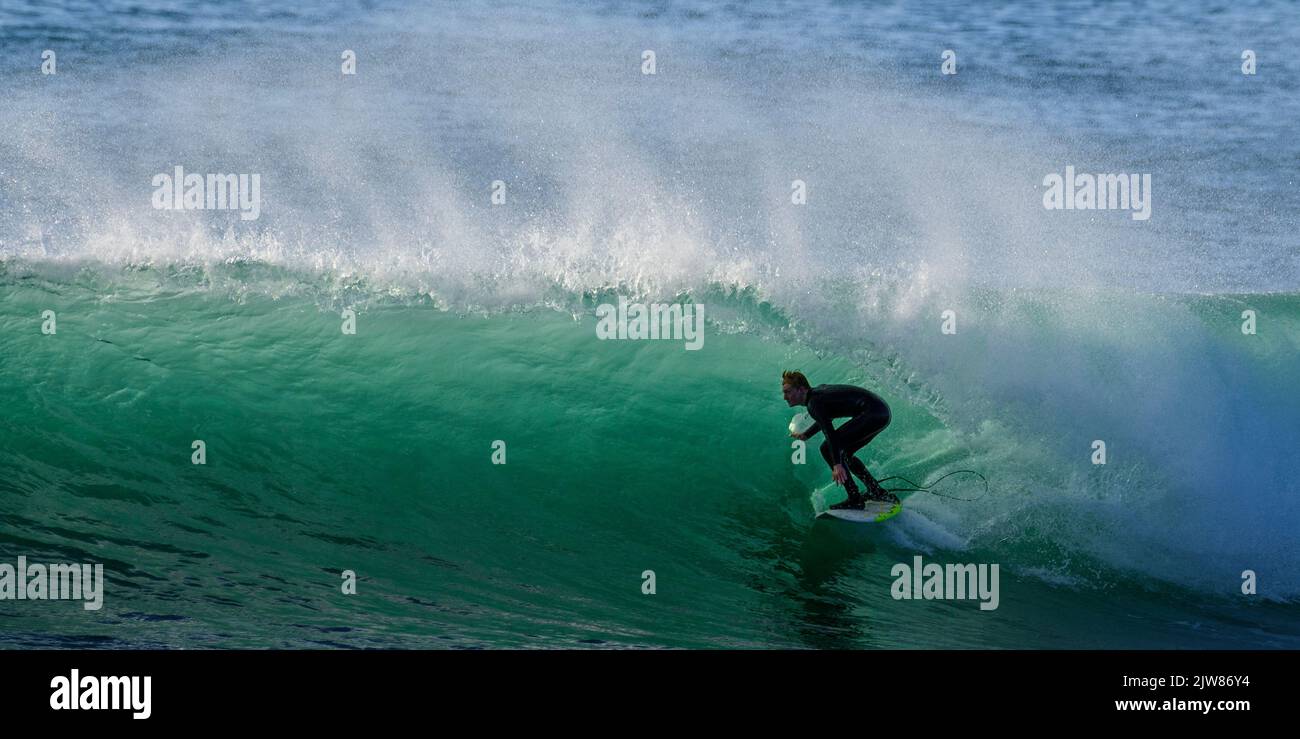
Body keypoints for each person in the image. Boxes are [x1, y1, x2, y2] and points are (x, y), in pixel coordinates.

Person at [782, 370, 898, 510]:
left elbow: (829, 431)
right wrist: (806, 435)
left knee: (826, 448)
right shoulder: (817, 396)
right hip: (881, 413)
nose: (785, 397)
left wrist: (837, 464)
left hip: (872, 414)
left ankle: (855, 498)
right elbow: (826, 418)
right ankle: (876, 491)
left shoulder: (814, 403)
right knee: (846, 453)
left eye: (788, 392)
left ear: (801, 389)